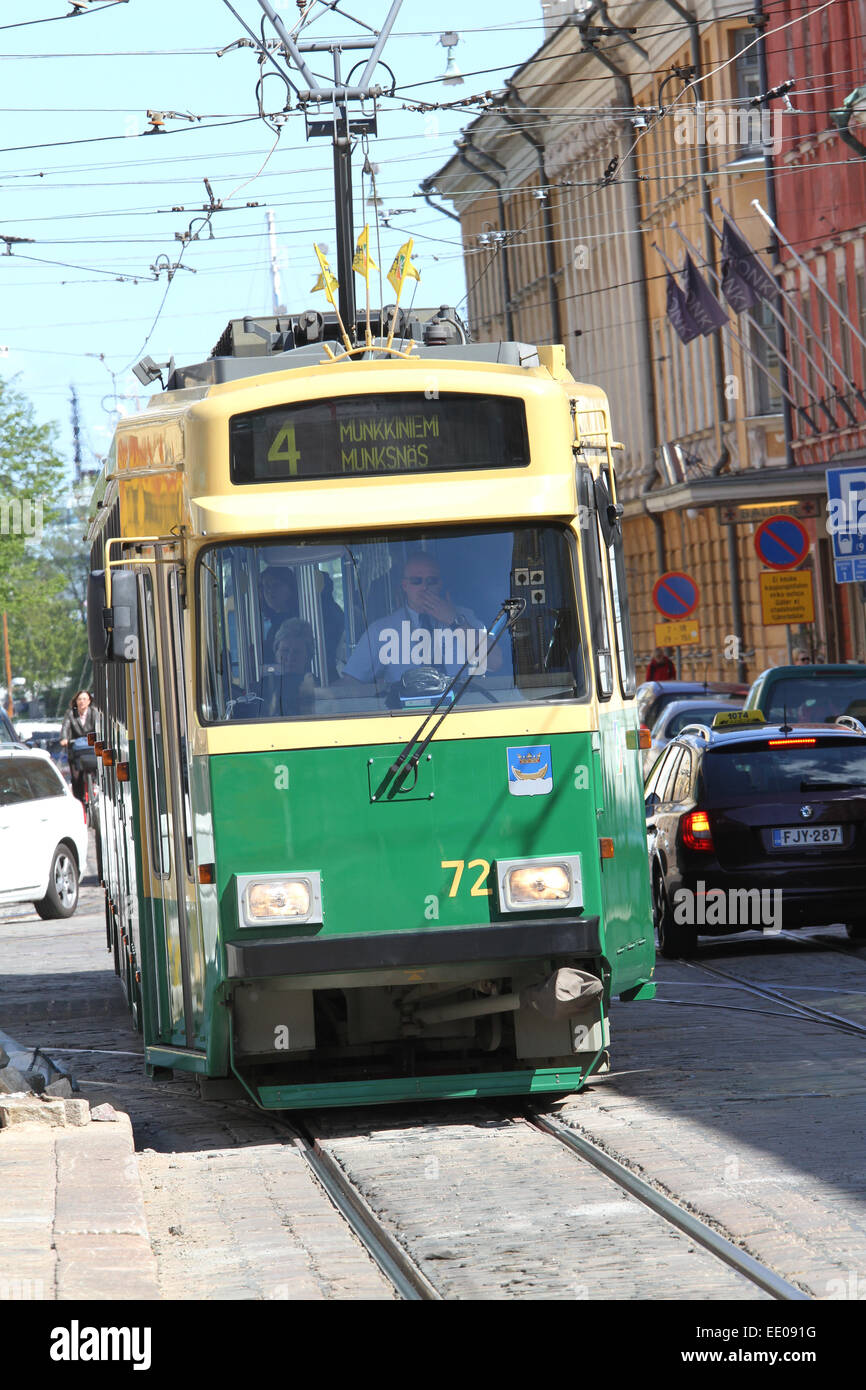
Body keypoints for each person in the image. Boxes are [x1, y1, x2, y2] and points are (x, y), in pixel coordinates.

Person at [342, 552, 499, 688]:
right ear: (404, 585)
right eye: (416, 581)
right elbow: (351, 681)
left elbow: (495, 662)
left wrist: (454, 620)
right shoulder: (381, 630)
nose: (424, 587)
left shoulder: (465, 617)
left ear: (440, 584)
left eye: (432, 581)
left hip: (461, 711)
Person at [263, 618, 315, 717]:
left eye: (297, 652)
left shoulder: (318, 687)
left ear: (308, 656)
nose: (290, 658)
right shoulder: (262, 688)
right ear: (276, 652)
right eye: (285, 650)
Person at [60, 689, 96, 802]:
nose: (82, 702)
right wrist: (64, 738)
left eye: (84, 699)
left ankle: (95, 786)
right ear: (76, 701)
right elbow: (65, 727)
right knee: (76, 777)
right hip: (76, 749)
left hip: (91, 748)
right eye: (79, 699)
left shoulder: (94, 712)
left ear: (89, 701)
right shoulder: (70, 714)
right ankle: (80, 800)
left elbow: (100, 727)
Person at [261, 566, 299, 662]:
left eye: (276, 585)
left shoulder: (298, 622)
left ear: (290, 588)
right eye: (266, 586)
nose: (269, 591)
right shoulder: (275, 623)